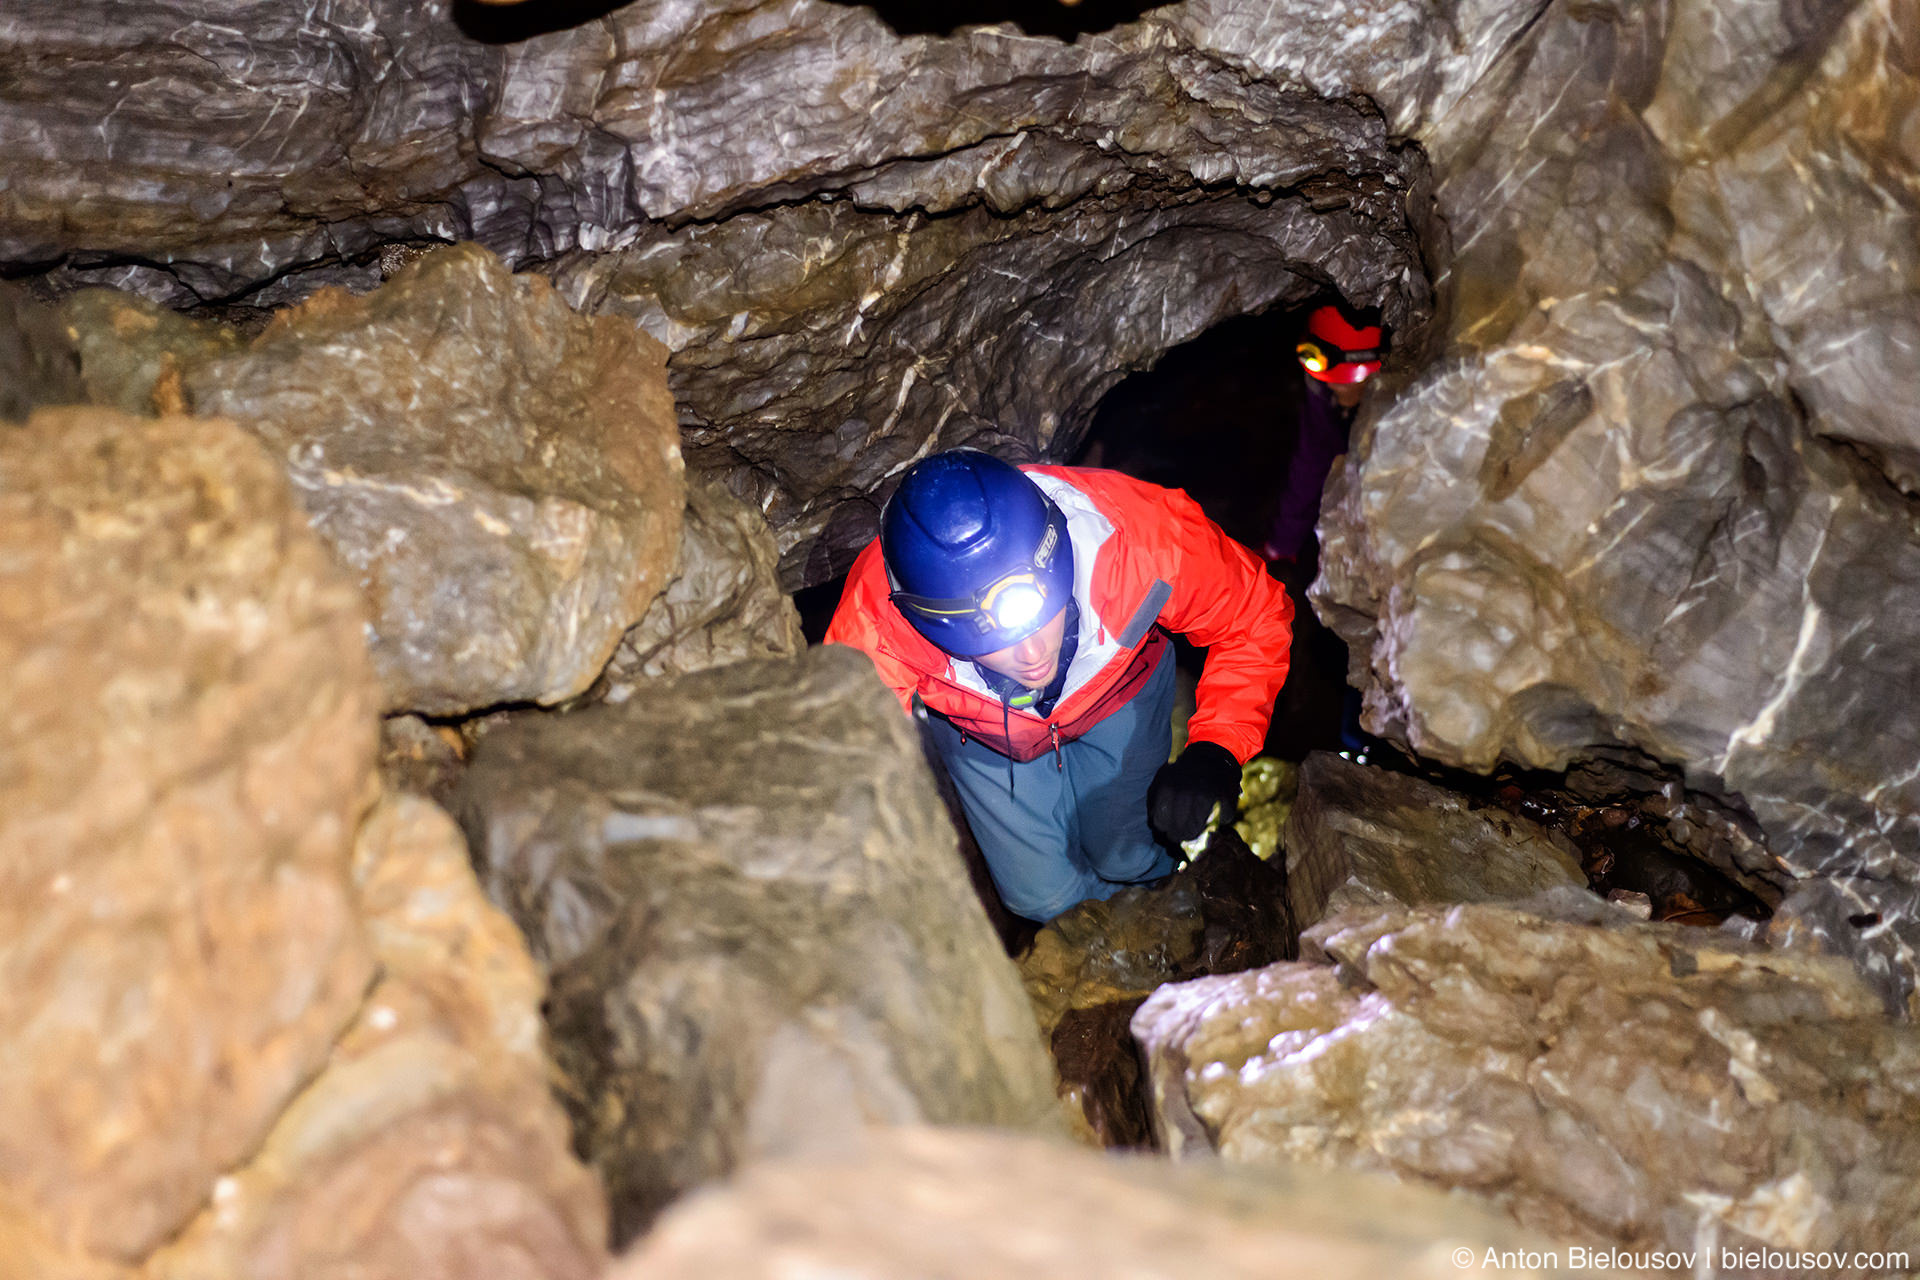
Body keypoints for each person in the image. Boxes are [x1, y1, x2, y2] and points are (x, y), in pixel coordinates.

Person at [826, 449, 1294, 923]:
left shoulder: (1139, 536)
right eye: (991, 642)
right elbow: (841, 756)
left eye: (1039, 618)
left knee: (1127, 855)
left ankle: (1165, 916)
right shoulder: (876, 622)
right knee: (1041, 898)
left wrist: (1216, 748)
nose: (1032, 657)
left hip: (1118, 692)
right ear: (932, 621)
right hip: (987, 730)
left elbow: (1253, 617)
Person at [1262, 302, 1387, 567]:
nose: (1330, 383)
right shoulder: (1322, 386)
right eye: (1325, 375)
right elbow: (1312, 461)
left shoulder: (1399, 414)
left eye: (1341, 379)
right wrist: (1282, 545)